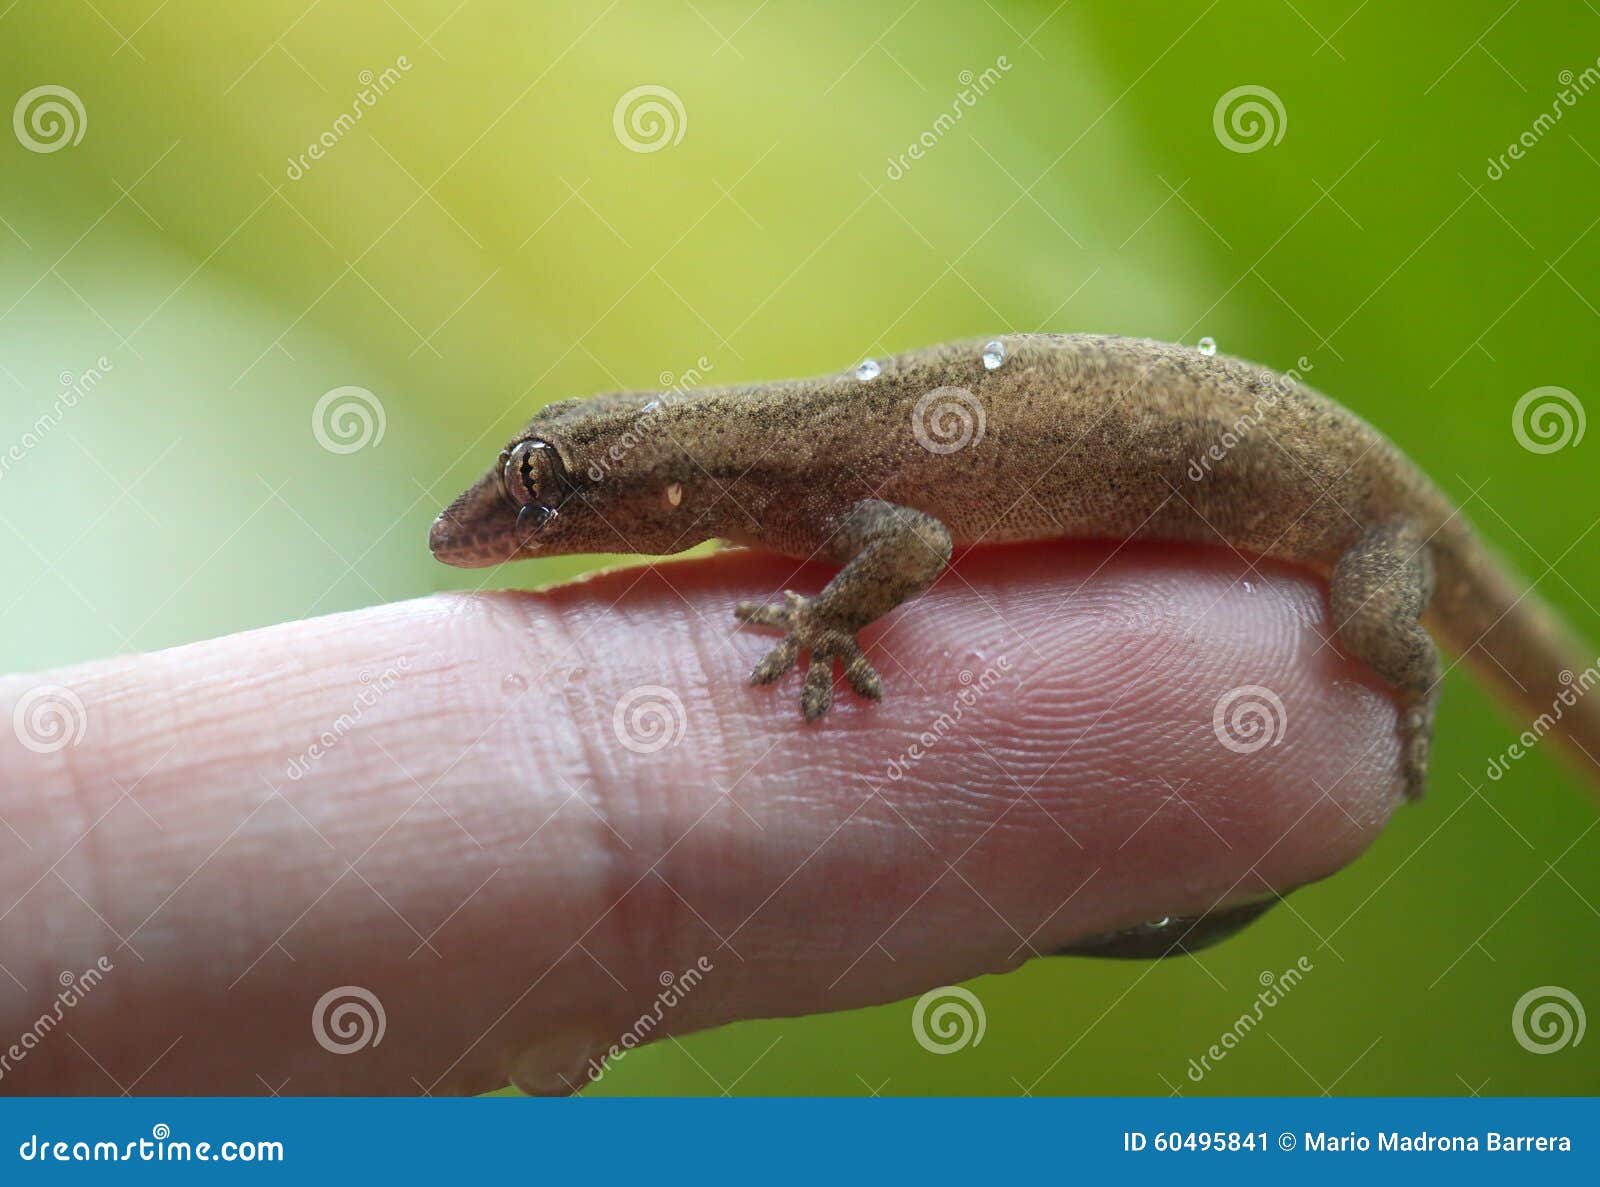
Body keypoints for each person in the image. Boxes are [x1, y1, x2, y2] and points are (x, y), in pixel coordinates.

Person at [0, 542, 1403, 1094]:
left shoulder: (830, 499)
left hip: (1338, 526)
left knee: (1373, 643)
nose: (489, 529)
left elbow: (914, 547)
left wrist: (828, 620)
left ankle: (1418, 688)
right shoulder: (794, 490)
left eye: (543, 495)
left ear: (666, 493)